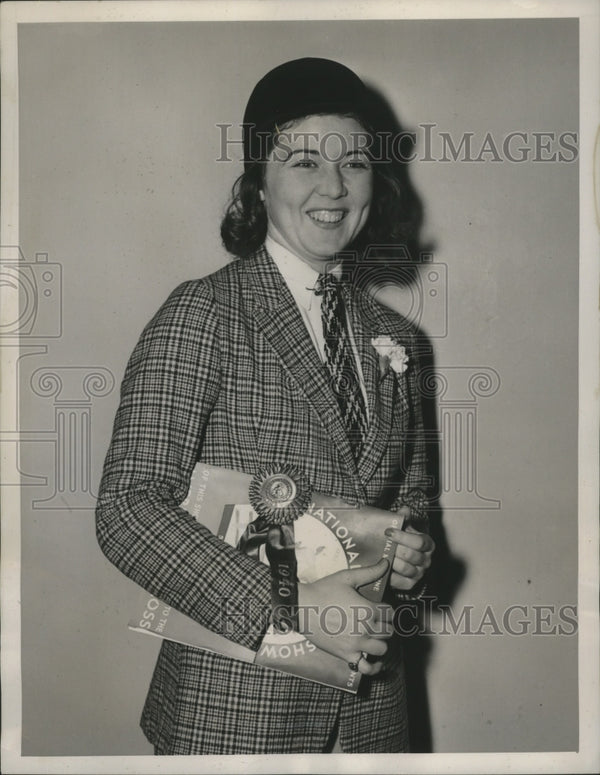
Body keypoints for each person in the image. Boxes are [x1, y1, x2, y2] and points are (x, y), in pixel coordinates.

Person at [96, 57, 434, 755]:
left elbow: (413, 497)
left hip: (374, 722)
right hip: (236, 717)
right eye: (305, 160)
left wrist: (411, 547)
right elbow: (128, 508)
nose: (335, 187)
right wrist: (295, 606)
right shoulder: (203, 313)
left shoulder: (398, 340)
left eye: (356, 163)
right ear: (258, 179)